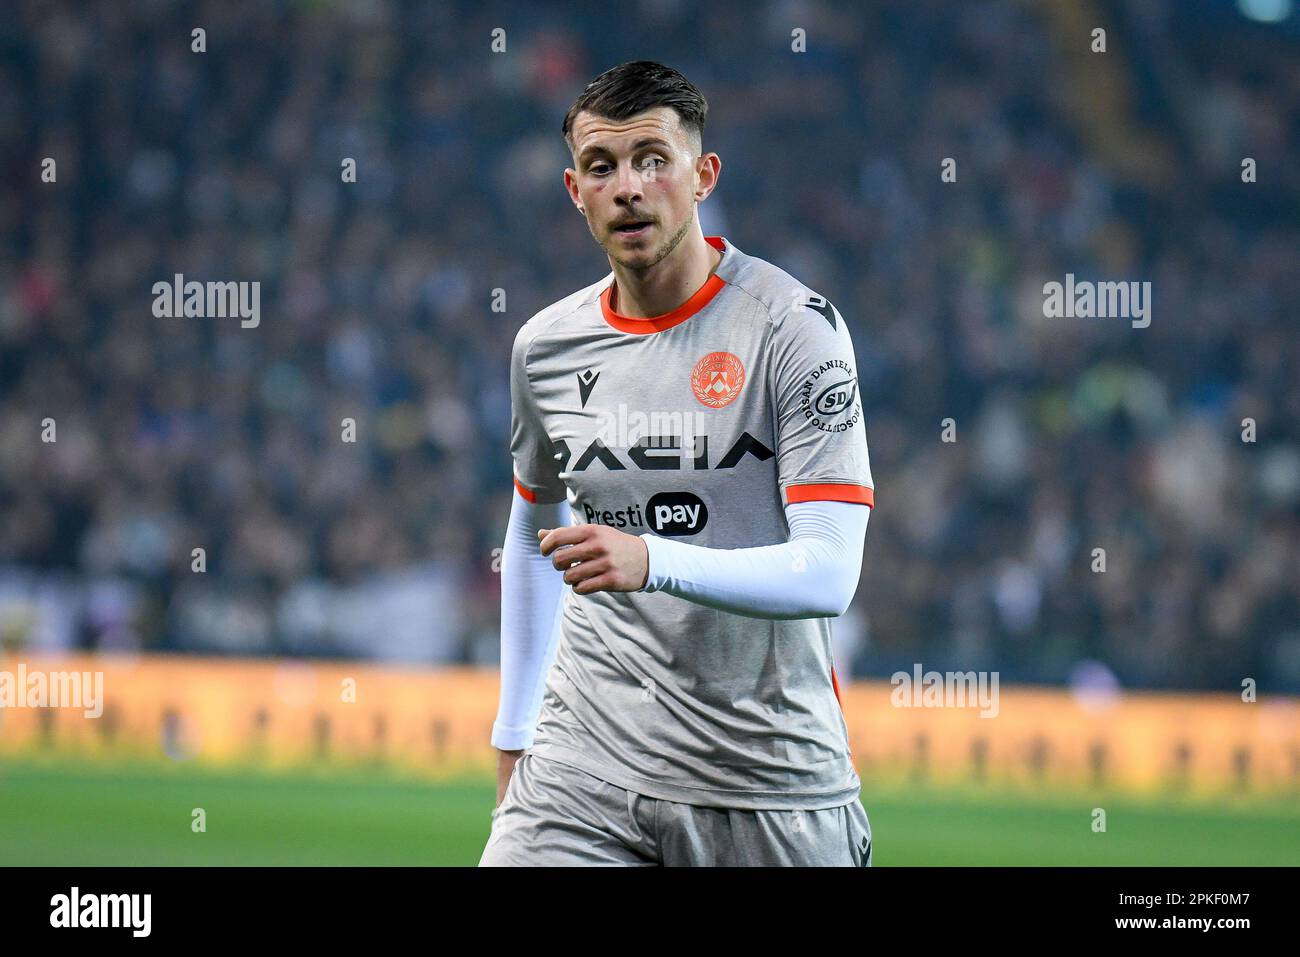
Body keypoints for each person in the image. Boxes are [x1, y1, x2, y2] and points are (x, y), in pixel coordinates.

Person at [480, 61, 875, 866]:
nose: (628, 186)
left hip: (767, 778)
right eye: (602, 167)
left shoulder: (794, 330)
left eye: (653, 159)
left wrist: (652, 559)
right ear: (574, 191)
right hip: (583, 762)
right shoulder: (545, 347)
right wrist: (516, 732)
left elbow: (830, 570)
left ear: (703, 177)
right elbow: (531, 529)